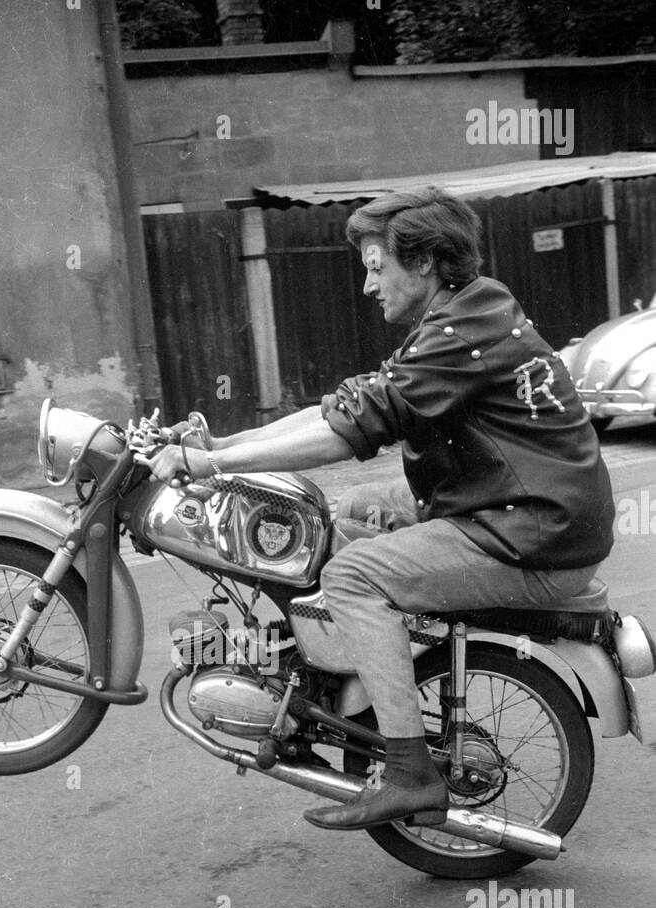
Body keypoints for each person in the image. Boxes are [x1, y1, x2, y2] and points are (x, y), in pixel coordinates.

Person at [141, 186, 615, 831]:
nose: (368, 286)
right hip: (515, 510)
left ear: (421, 262)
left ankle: (410, 772)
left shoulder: (465, 330)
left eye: (374, 266)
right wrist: (227, 443)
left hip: (531, 533)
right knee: (351, 510)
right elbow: (345, 406)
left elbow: (349, 431)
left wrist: (208, 467)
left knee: (350, 574)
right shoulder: (465, 315)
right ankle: (334, 674)